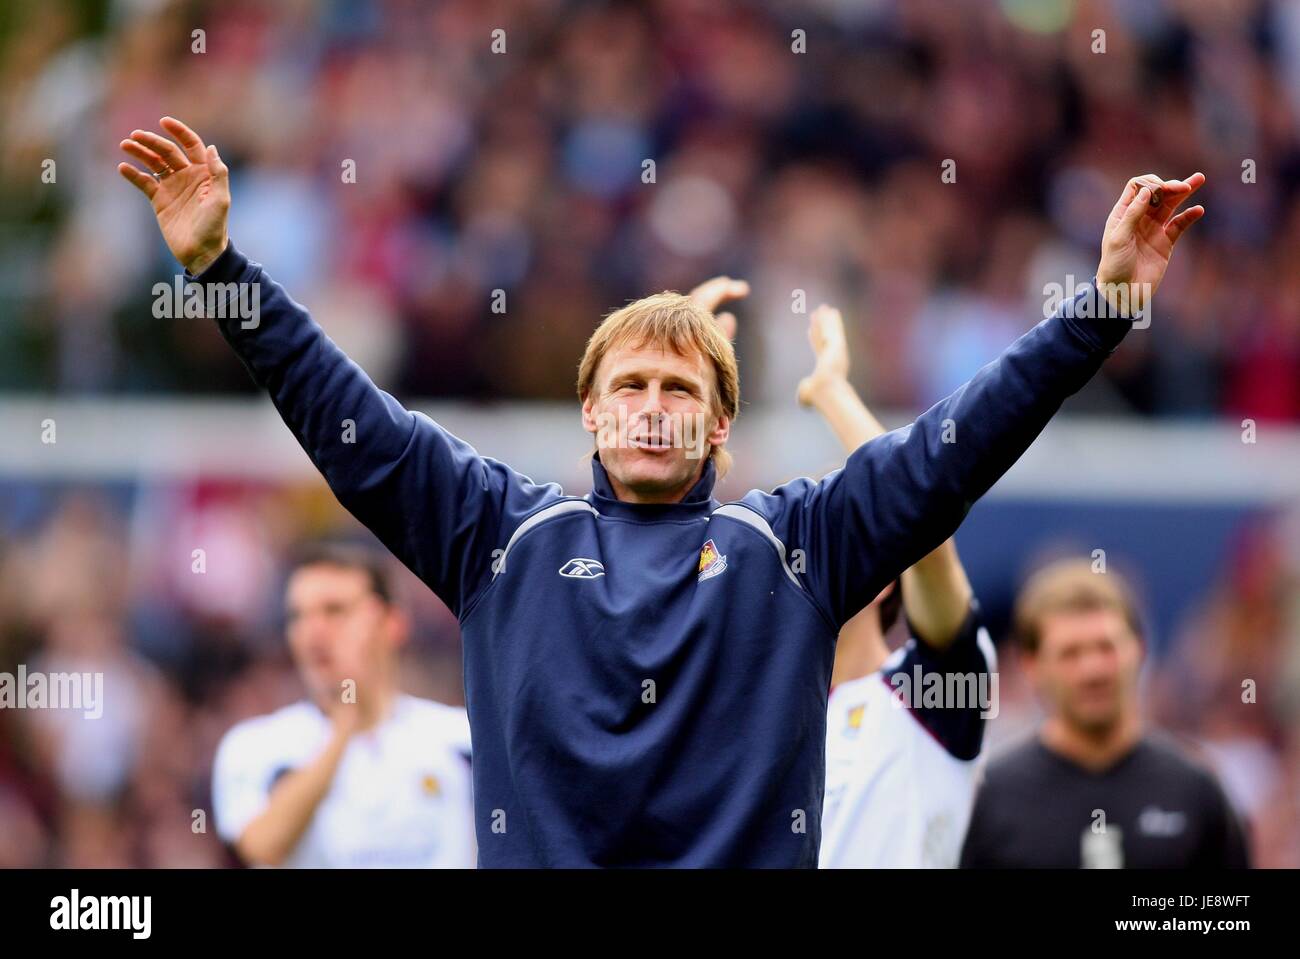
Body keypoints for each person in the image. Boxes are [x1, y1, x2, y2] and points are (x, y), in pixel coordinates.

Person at [121, 116, 1204, 867]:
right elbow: (343, 413)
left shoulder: (794, 545)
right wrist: (222, 268)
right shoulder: (499, 531)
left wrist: (1101, 307)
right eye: (627, 384)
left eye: (678, 386)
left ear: (719, 426)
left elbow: (956, 446)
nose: (651, 404)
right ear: (589, 413)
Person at [795, 304, 994, 868]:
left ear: (882, 580)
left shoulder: (928, 693)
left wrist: (832, 393)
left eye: (822, 547)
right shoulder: (769, 711)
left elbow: (920, 513)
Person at [959, 559, 1249, 868]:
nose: (1092, 670)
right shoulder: (994, 798)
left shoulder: (1195, 792)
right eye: (1070, 653)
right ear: (1031, 666)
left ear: (1140, 648)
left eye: (1105, 648)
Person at [211, 545, 475, 868]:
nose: (314, 631)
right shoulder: (257, 745)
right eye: (298, 616)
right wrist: (343, 726)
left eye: (335, 610)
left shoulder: (462, 739)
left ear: (392, 623)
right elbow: (262, 845)